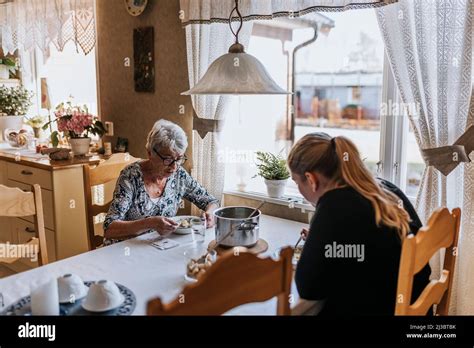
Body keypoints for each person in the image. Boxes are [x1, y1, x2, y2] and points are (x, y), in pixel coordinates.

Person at [287, 132, 431, 316]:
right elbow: (368, 243)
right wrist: (322, 242)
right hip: (413, 304)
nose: (298, 190)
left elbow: (308, 287)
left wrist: (318, 241)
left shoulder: (333, 205)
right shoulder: (382, 189)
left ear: (311, 179)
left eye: (296, 181)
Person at [103, 119, 219, 245]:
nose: (174, 167)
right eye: (168, 159)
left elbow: (211, 201)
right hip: (124, 249)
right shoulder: (131, 177)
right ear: (150, 153)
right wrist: (149, 223)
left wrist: (210, 214)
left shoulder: (179, 175)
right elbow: (109, 229)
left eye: (179, 159)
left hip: (157, 247)